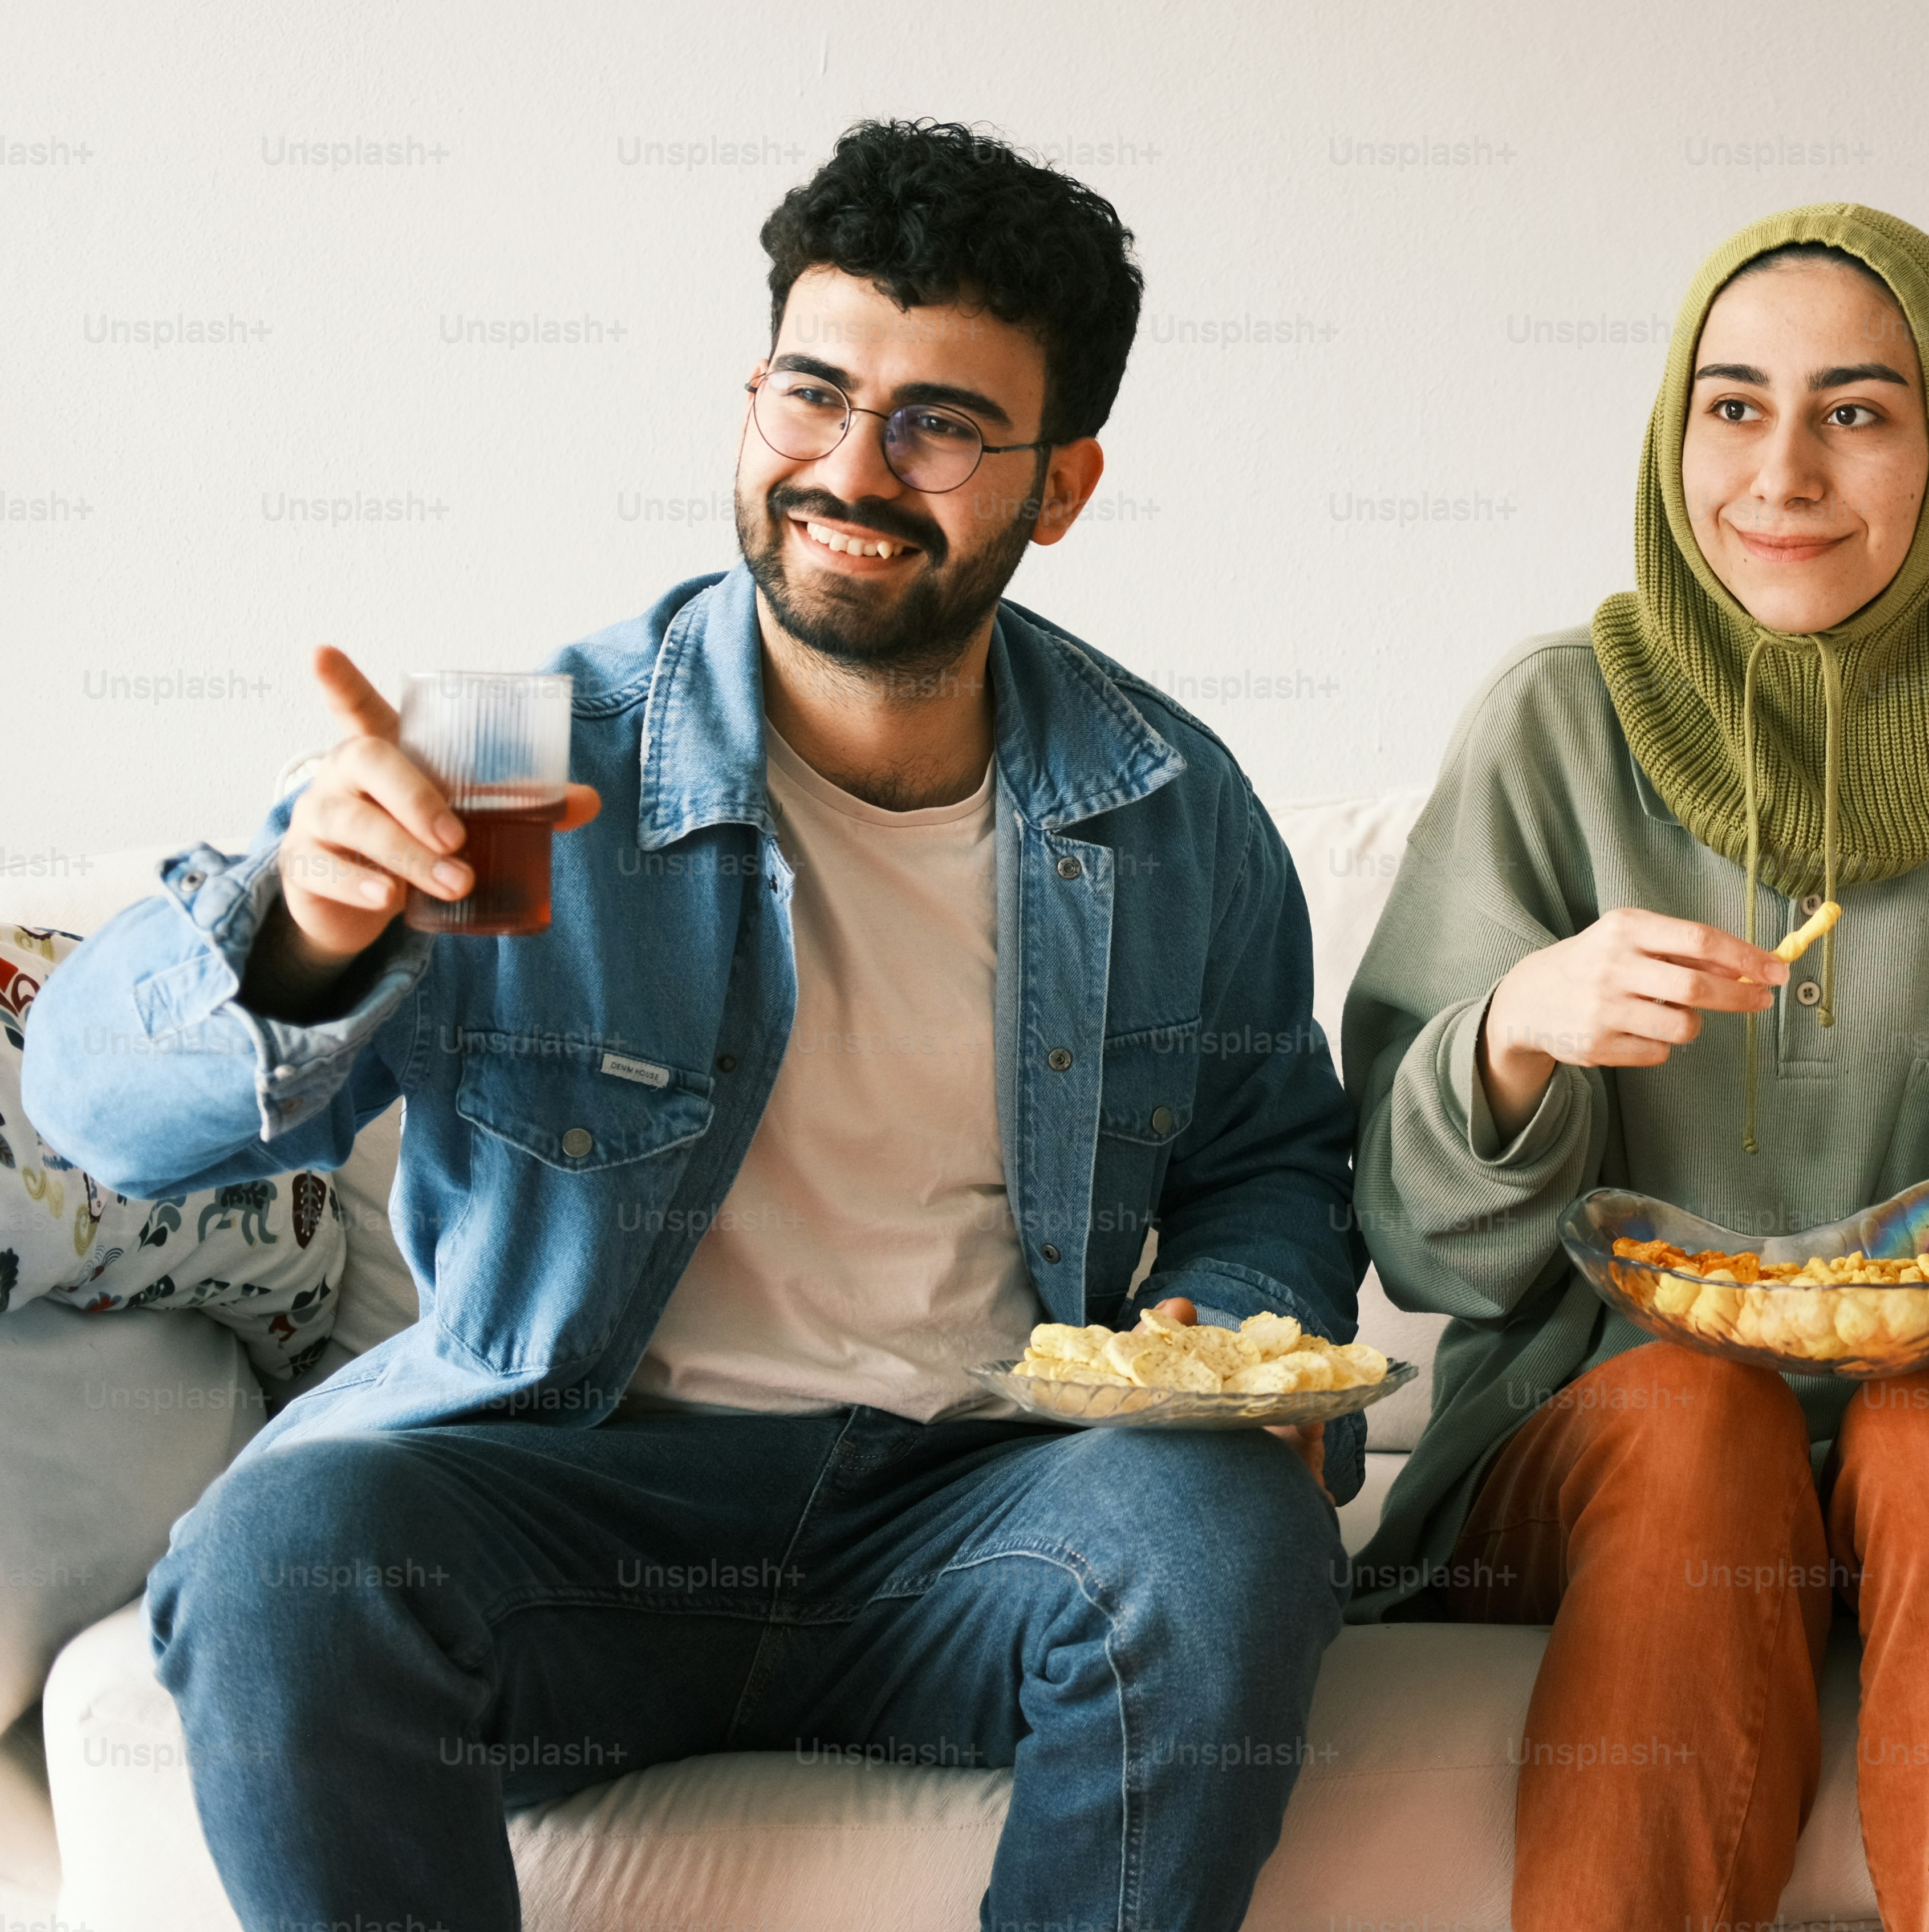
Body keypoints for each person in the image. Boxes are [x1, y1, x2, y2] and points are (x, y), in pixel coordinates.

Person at [26, 120, 1360, 1932]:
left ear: (1062, 485)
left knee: (1227, 1542)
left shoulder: (1163, 806)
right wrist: (305, 928)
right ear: (752, 398)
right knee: (283, 1562)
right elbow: (99, 1113)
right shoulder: (512, 766)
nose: (852, 469)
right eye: (811, 394)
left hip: (984, 1515)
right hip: (573, 1506)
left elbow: (1266, 1152)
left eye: (944, 424)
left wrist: (1250, 1329)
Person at [1345, 205, 1929, 1932]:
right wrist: (1516, 1033)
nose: (1782, 470)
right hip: (1595, 1441)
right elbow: (1419, 1245)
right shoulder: (1552, 721)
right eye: (1732, 407)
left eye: (1858, 411)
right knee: (1692, 1410)